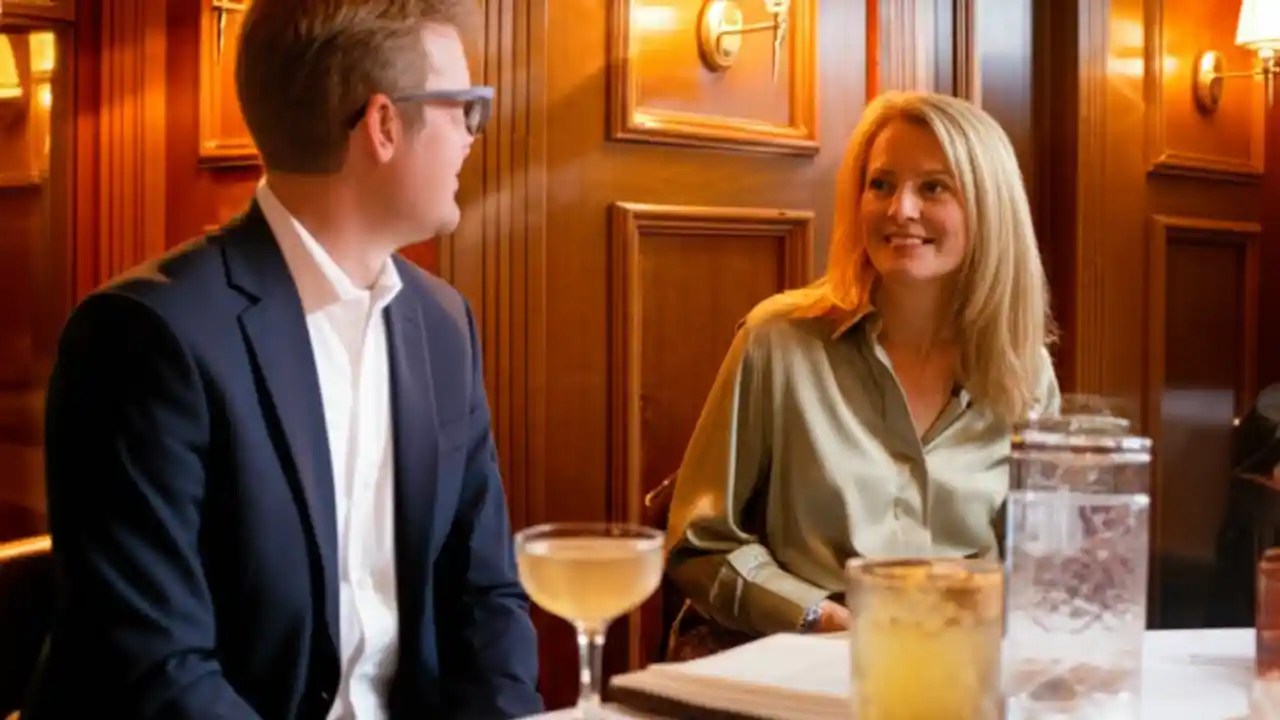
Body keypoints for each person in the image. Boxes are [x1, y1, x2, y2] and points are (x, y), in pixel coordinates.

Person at [24, 1, 542, 718]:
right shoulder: (143, 338)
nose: (472, 137)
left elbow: (486, 599)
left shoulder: (444, 325)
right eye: (466, 107)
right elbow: (156, 671)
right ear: (385, 126)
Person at [663, 91, 1061, 657]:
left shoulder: (1025, 370)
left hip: (961, 666)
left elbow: (1040, 560)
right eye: (881, 184)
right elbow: (700, 545)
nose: (900, 209)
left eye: (933, 187)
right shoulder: (777, 342)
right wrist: (817, 619)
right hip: (803, 667)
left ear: (988, 209)